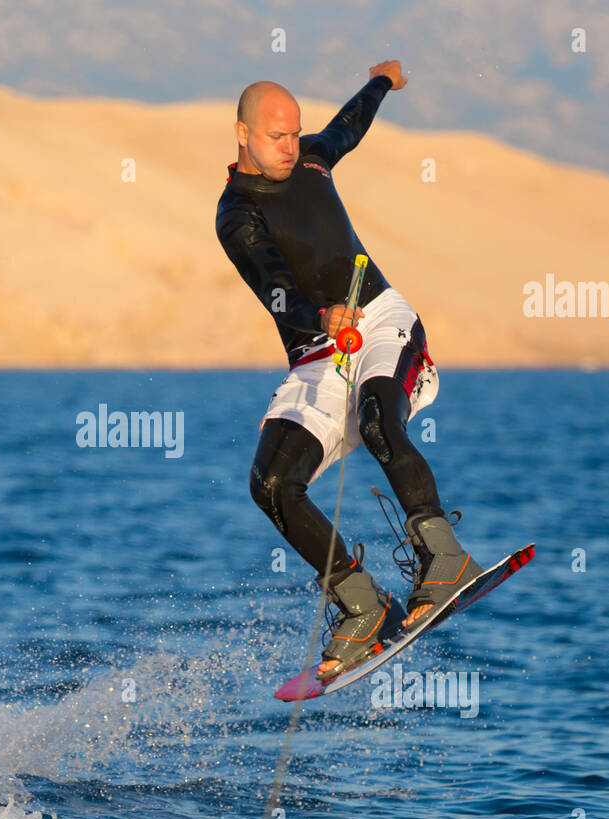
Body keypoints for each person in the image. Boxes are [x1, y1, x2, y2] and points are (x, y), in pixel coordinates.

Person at [215, 62, 482, 682]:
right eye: (276, 137)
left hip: (382, 319)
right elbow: (275, 290)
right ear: (241, 133)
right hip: (318, 351)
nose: (291, 147)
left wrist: (382, 82)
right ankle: (362, 604)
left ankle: (442, 557)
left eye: (295, 134)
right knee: (272, 485)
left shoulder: (311, 157)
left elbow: (348, 128)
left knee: (378, 418)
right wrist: (318, 314)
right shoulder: (236, 214)